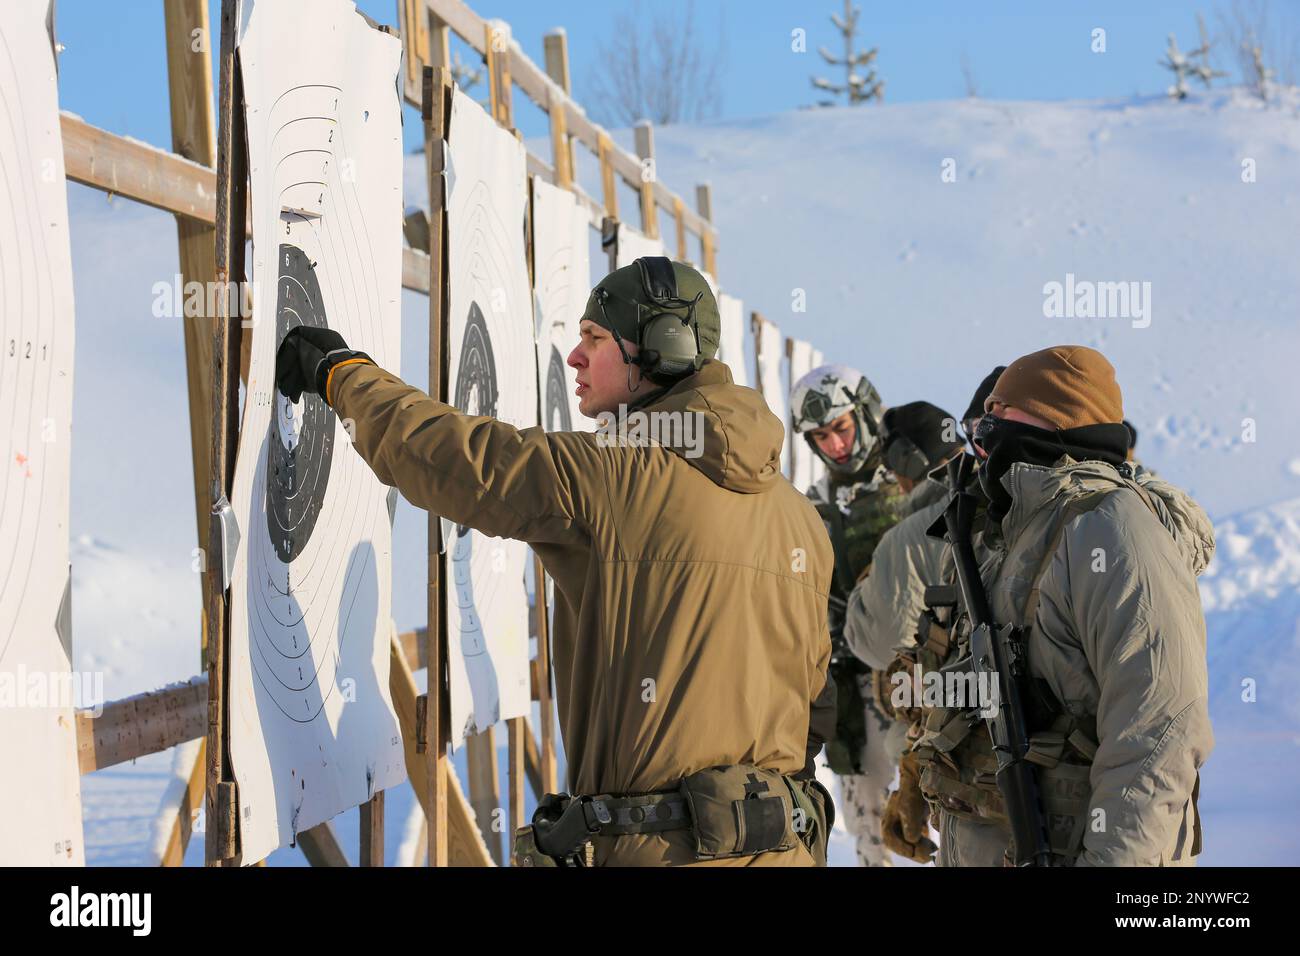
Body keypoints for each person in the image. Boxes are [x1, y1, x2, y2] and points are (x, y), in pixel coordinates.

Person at [275, 256, 834, 866]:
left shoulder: (616, 477)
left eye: (596, 339)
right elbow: (816, 705)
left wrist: (343, 377)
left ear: (659, 351)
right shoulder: (800, 519)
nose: (575, 357)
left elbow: (458, 460)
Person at [913, 345, 1214, 866]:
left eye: (999, 409)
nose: (985, 423)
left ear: (1053, 412)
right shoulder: (1004, 528)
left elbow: (1160, 727)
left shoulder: (1112, 527)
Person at [790, 365, 905, 867]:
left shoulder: (912, 482)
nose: (834, 444)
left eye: (841, 427)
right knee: (869, 826)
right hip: (856, 685)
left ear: (866, 414)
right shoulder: (812, 506)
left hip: (927, 680)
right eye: (820, 436)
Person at [841, 401, 966, 863]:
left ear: (910, 463)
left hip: (940, 750)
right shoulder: (996, 508)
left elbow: (875, 643)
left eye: (895, 467)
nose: (894, 480)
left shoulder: (908, 537)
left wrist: (863, 590)